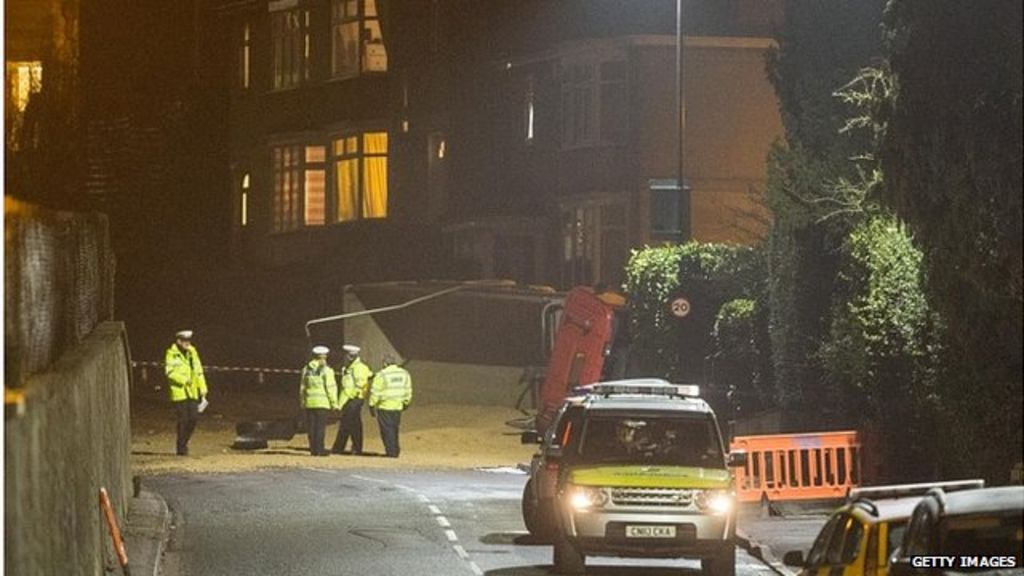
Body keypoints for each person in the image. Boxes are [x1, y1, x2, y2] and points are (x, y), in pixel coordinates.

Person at [164, 330, 208, 456]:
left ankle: (184, 443)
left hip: (193, 392)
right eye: (185, 341)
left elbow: (199, 372)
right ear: (178, 341)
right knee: (183, 420)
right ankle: (181, 447)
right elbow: (170, 372)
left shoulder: (193, 352)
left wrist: (203, 390)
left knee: (193, 418)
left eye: (189, 341)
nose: (187, 343)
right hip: (180, 393)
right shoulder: (171, 354)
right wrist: (184, 380)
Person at [331, 344, 373, 455]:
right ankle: (355, 447)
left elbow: (360, 385)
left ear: (351, 356)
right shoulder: (348, 367)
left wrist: (353, 397)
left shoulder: (359, 368)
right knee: (353, 424)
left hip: (354, 399)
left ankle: (340, 448)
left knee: (348, 424)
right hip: (348, 399)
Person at [368, 354, 412, 458]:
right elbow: (408, 390)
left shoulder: (382, 375)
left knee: (387, 431)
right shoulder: (404, 373)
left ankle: (391, 451)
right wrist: (406, 402)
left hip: (385, 406)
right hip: (398, 406)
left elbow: (375, 392)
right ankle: (395, 449)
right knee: (394, 429)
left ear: (385, 363)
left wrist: (371, 405)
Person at [300, 345, 339, 456]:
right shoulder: (326, 370)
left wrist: (302, 401)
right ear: (324, 357)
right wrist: (334, 403)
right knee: (320, 427)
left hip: (309, 403)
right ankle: (320, 450)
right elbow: (330, 387)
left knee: (311, 427)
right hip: (322, 403)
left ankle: (313, 449)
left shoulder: (306, 369)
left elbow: (302, 387)